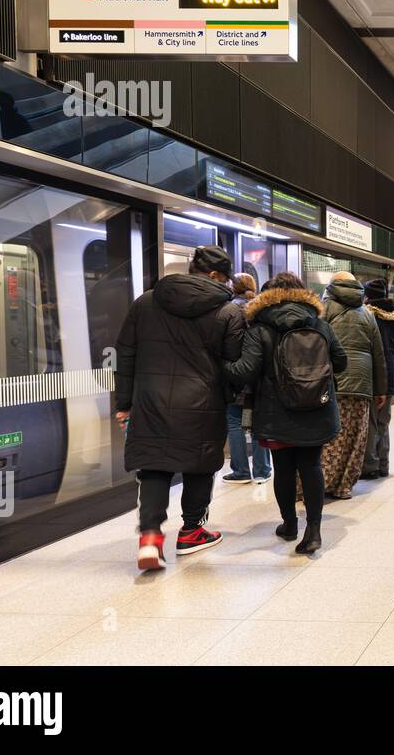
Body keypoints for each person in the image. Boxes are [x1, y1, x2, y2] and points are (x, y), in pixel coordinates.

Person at [114, 245, 245, 571]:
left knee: (155, 466)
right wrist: (232, 397)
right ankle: (191, 531)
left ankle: (150, 537)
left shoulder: (145, 302)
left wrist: (124, 403)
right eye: (226, 278)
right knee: (200, 465)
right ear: (216, 276)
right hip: (204, 401)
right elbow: (234, 364)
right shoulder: (228, 313)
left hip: (152, 401)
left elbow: (125, 354)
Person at [223, 272, 347, 554]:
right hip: (317, 408)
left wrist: (220, 366)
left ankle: (289, 524)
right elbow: (341, 362)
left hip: (276, 412)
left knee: (284, 469)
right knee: (311, 467)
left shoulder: (260, 327)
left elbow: (245, 370)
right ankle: (313, 531)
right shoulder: (320, 324)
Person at [319, 272, 387, 499]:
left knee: (329, 436)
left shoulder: (324, 309)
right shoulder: (367, 314)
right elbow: (378, 355)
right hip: (361, 383)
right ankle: (343, 486)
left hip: (330, 382)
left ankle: (322, 483)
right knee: (355, 437)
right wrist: (380, 390)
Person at [223, 273, 272, 484]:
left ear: (233, 287)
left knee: (235, 423)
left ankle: (241, 471)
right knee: (259, 422)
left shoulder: (228, 309)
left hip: (235, 376)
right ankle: (262, 470)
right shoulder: (260, 310)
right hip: (259, 376)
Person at [361, 277, 394, 480]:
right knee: (383, 423)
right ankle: (383, 465)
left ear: (367, 297)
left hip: (372, 376)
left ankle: (370, 467)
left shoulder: (367, 317)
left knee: (370, 422)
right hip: (389, 377)